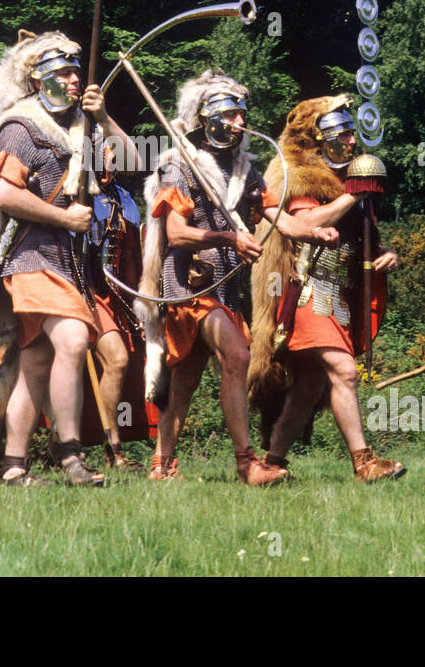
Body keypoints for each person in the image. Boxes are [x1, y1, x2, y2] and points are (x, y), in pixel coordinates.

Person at [0, 30, 137, 486]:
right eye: (66, 73)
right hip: (30, 255)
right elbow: (1, 191)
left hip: (70, 261)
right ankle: (69, 453)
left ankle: (14, 465)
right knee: (74, 339)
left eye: (76, 71)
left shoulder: (83, 125)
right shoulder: (21, 127)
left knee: (35, 362)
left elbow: (133, 162)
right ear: (40, 80)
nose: (76, 79)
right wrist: (63, 217)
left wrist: (106, 116)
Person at [137, 71, 337, 484]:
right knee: (239, 356)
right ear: (208, 119)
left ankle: (162, 464)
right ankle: (247, 463)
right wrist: (229, 237)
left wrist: (314, 231)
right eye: (231, 115)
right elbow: (175, 233)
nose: (241, 123)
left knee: (187, 378)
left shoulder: (246, 171)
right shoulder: (179, 168)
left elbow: (277, 217)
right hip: (188, 286)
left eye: (242, 115)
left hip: (224, 288)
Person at [248, 96, 403, 481]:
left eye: (352, 133)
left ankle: (273, 461)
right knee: (343, 369)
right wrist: (354, 194)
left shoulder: (349, 178)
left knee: (309, 385)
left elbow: (361, 238)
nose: (352, 141)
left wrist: (385, 254)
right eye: (342, 134)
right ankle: (363, 461)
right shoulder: (301, 176)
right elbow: (307, 221)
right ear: (320, 139)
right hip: (306, 291)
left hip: (339, 292)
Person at [87, 142, 145, 469]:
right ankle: (113, 449)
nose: (114, 154)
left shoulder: (125, 199)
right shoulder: (77, 193)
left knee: (124, 362)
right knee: (117, 359)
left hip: (117, 296)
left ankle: (111, 447)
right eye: (107, 149)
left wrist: (138, 304)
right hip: (87, 293)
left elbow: (133, 258)